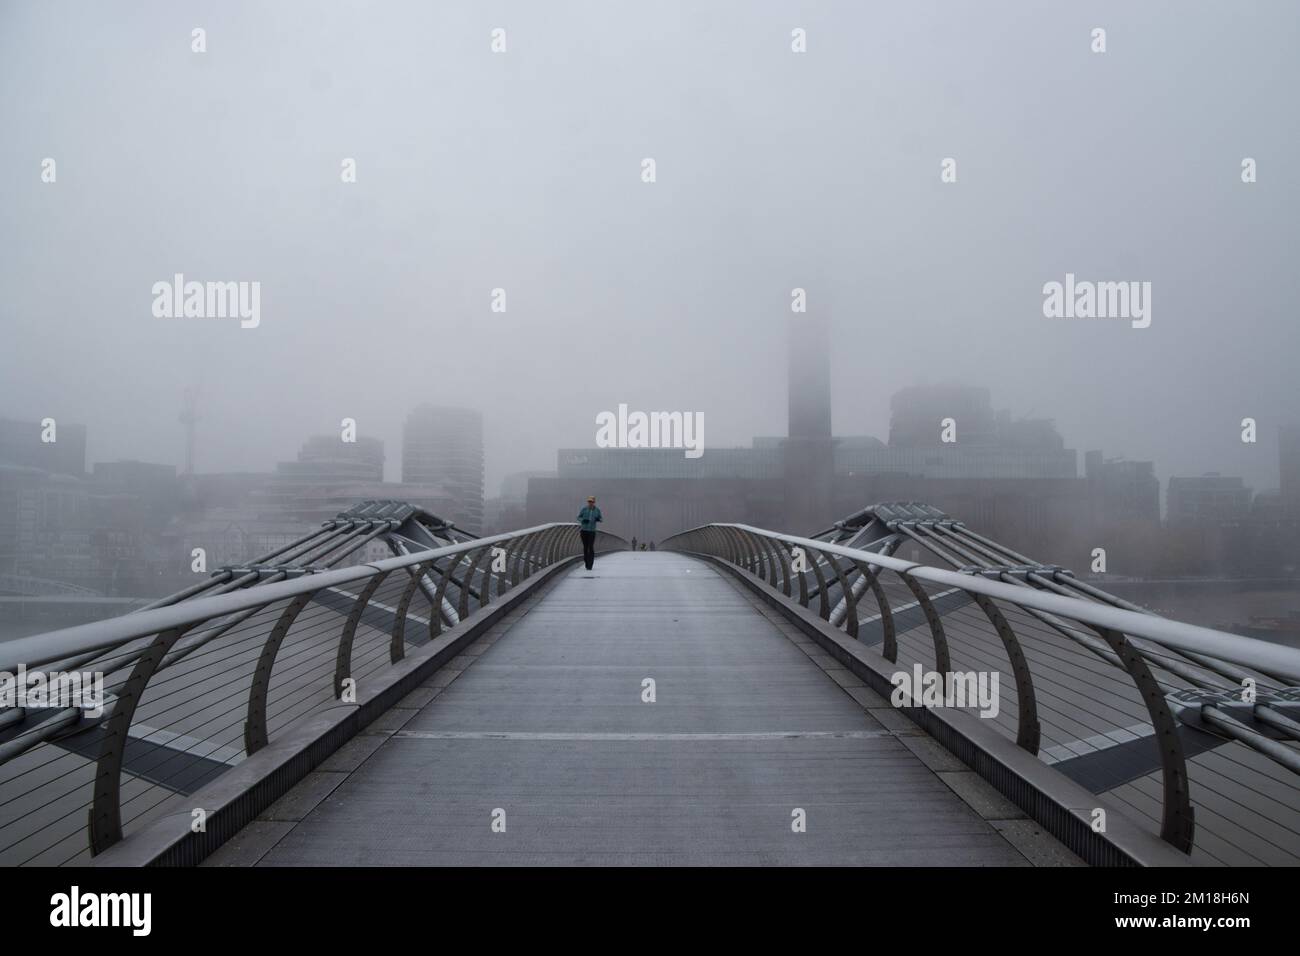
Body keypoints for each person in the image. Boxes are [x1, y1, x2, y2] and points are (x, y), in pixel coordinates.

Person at [576, 495, 602, 571]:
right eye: (589, 501)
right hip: (584, 530)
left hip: (592, 531)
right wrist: (583, 520)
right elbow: (578, 517)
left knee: (590, 547)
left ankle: (590, 564)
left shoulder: (597, 510)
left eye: (592, 502)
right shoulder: (584, 509)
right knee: (585, 547)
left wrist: (598, 519)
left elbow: (601, 518)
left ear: (594, 502)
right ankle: (586, 561)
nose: (590, 503)